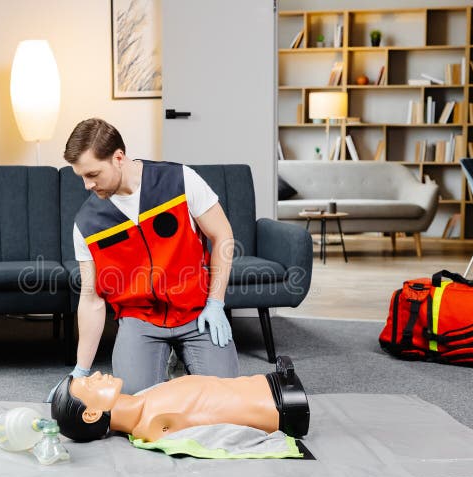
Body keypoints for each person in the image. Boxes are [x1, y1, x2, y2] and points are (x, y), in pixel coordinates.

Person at [48, 118, 239, 398]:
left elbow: (222, 235)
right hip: (140, 320)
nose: (87, 185)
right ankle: (170, 368)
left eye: (93, 174)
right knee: (137, 403)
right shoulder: (87, 224)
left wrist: (216, 302)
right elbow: (91, 299)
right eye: (82, 177)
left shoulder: (180, 180)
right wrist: (80, 371)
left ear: (118, 158)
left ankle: (181, 364)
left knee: (224, 398)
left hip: (196, 312)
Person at [50, 355, 310, 443]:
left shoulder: (147, 400)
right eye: (88, 383)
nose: (96, 373)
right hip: (281, 404)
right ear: (92, 414)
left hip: (271, 386)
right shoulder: (153, 423)